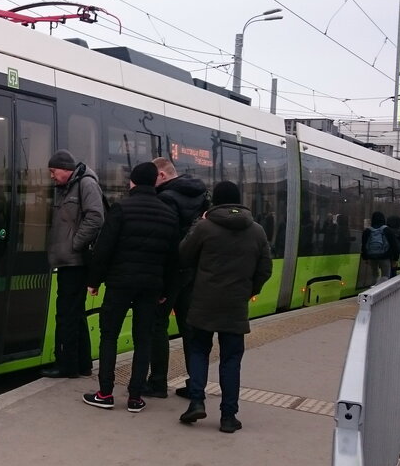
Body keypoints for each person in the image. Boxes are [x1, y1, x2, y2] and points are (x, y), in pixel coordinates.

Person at [82, 162, 178, 413]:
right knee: (143, 338)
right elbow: (172, 259)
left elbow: (104, 248)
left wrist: (94, 281)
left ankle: (105, 393)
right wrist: (165, 290)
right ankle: (135, 397)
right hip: (151, 287)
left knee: (109, 335)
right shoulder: (168, 214)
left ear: (132, 182)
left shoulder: (121, 208)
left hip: (120, 283)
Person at [177, 181, 272, 434]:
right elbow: (265, 269)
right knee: (231, 360)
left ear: (215, 202)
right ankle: (228, 417)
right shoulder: (257, 231)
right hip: (235, 305)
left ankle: (196, 401)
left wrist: (198, 224)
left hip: (204, 302)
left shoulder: (204, 227)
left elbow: (184, 255)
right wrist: (249, 290)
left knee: (198, 350)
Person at [147, 156, 209, 400]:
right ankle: (195, 385)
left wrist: (161, 281)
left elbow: (166, 240)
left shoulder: (165, 198)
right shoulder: (202, 195)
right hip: (194, 271)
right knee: (190, 329)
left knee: (157, 325)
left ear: (162, 175)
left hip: (172, 270)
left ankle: (157, 382)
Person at [44, 149, 106, 378]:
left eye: (53, 171)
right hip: (68, 260)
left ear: (66, 169)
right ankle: (82, 363)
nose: (51, 175)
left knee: (67, 314)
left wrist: (75, 244)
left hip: (76, 261)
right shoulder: (68, 187)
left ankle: (66, 365)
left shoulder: (86, 184)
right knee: (76, 313)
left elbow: (95, 217)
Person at [361, 211, 399, 284]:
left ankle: (373, 288)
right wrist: (395, 259)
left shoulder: (367, 231)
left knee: (374, 275)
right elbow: (394, 245)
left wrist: (365, 257)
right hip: (385, 256)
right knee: (385, 275)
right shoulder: (387, 230)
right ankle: (381, 290)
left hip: (372, 257)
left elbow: (364, 245)